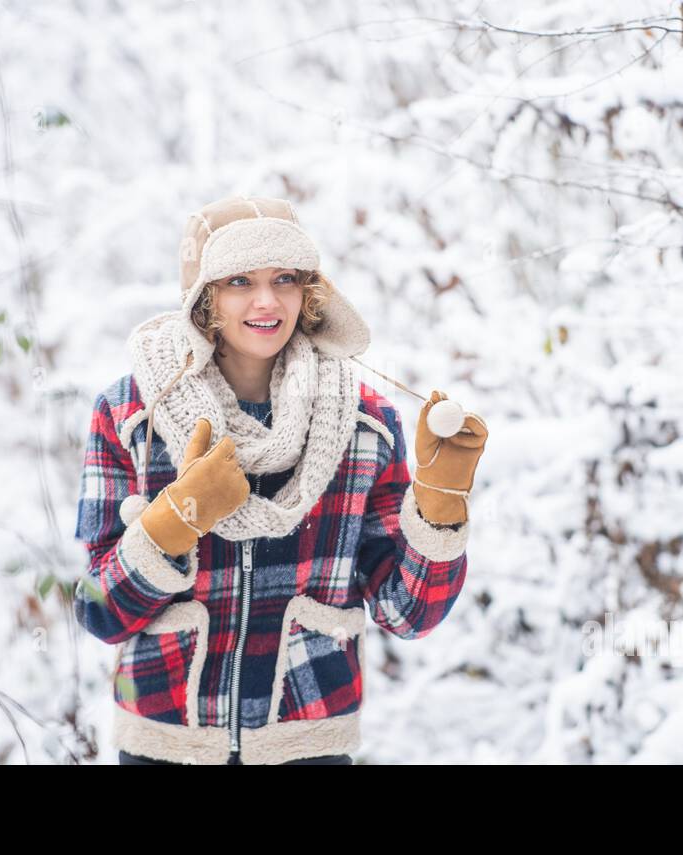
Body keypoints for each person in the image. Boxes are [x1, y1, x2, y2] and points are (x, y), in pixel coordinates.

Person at [72, 194, 488, 765]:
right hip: (166, 744)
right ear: (204, 297)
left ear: (308, 290)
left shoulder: (363, 424)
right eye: (239, 280)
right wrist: (173, 523)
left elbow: (407, 614)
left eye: (285, 279)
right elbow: (100, 612)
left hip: (309, 745)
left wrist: (442, 503)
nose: (266, 301)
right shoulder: (131, 414)